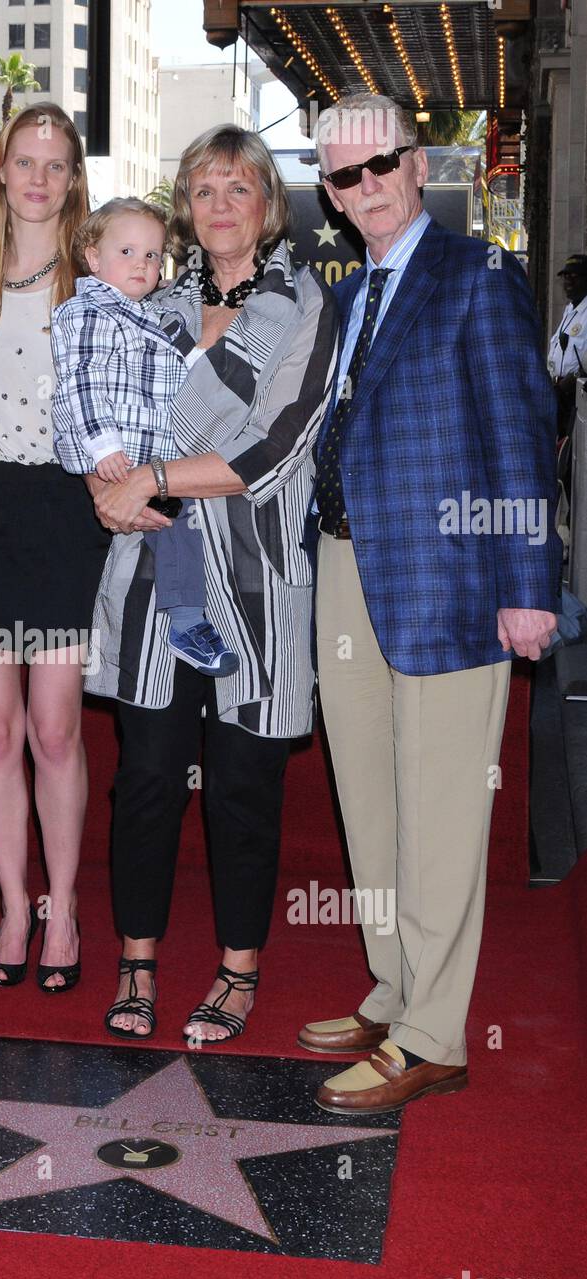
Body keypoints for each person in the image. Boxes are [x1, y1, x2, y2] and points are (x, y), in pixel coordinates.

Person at [301, 93, 560, 1114]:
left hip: (453, 577)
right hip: (344, 569)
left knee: (440, 810)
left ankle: (434, 1034)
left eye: (378, 168)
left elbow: (520, 434)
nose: (361, 188)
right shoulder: (349, 292)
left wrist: (528, 588)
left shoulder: (477, 275)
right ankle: (393, 984)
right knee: (367, 800)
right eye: (340, 176)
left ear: (418, 168)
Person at [84, 124, 338, 1042]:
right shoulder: (147, 302)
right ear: (185, 209)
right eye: (203, 190)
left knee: (241, 786)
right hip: (160, 569)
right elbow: (96, 408)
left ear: (269, 208)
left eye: (238, 189)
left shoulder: (305, 304)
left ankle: (237, 971)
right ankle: (138, 961)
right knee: (147, 778)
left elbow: (270, 451)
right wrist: (104, 482)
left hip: (261, 579)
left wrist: (146, 478)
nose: (221, 206)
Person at [0, 103, 110, 994]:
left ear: (74, 178)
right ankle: (10, 906)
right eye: (24, 162)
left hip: (59, 511)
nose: (39, 178)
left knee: (52, 727)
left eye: (55, 164)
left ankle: (65, 907)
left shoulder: (101, 276)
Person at [52, 197, 237, 675]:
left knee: (179, 525)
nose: (143, 264)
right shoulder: (87, 311)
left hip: (148, 451)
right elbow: (82, 381)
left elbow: (182, 363)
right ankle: (186, 622)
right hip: (115, 449)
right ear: (93, 257)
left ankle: (185, 619)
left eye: (153, 255)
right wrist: (103, 446)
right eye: (128, 252)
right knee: (175, 528)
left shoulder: (147, 313)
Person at [548, 253, 587, 440]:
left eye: (574, 276)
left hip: (576, 395)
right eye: (565, 277)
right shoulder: (570, 310)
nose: (568, 282)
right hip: (560, 394)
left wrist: (565, 386)